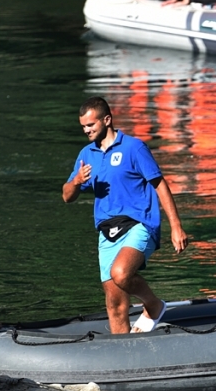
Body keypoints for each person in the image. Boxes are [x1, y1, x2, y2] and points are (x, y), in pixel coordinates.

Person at [62, 96, 188, 334]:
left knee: (120, 273)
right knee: (114, 303)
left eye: (91, 125)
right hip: (106, 231)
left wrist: (176, 226)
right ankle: (123, 348)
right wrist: (77, 181)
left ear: (107, 119)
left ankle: (153, 305)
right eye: (83, 126)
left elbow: (160, 185)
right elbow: (67, 196)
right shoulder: (87, 154)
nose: (86, 130)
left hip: (139, 223)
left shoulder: (133, 147)